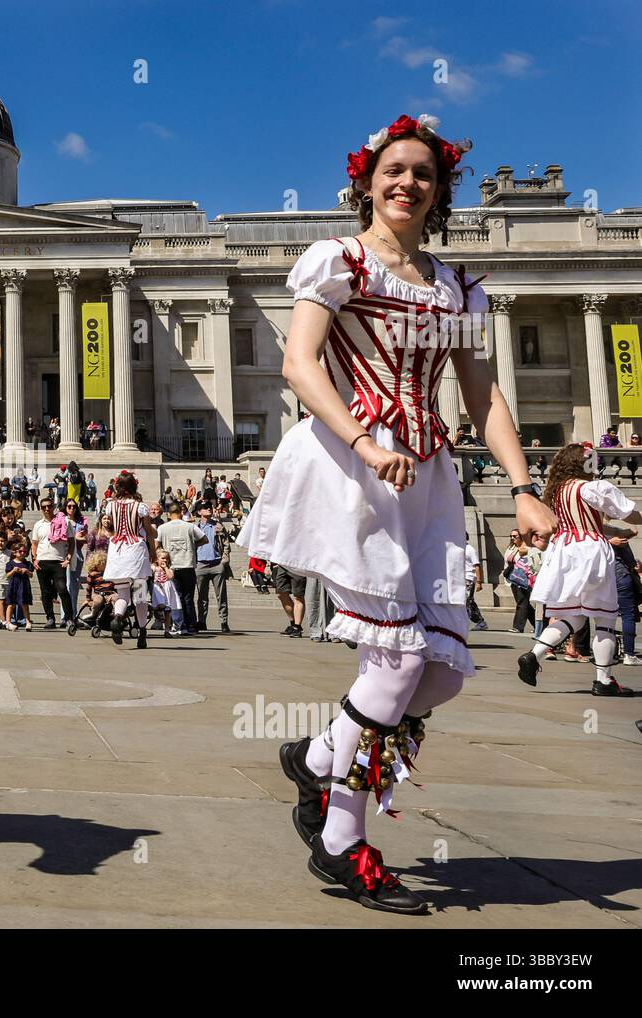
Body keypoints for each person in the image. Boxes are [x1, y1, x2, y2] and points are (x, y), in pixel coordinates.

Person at [244, 113, 557, 915]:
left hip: (429, 477)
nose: (406, 181)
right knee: (392, 664)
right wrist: (359, 438)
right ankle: (344, 841)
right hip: (358, 465)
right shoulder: (339, 262)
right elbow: (298, 363)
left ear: (439, 188)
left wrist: (524, 487)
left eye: (422, 171)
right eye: (393, 169)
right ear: (366, 182)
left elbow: (484, 397)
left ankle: (318, 758)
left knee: (441, 672)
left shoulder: (459, 287)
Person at [519, 443, 641, 695]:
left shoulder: (557, 491)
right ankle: (604, 680)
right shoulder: (592, 488)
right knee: (605, 618)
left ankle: (534, 655)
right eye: (592, 460)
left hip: (565, 551)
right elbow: (628, 513)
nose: (596, 464)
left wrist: (616, 531)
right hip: (590, 553)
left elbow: (581, 523)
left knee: (572, 614)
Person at [101, 471, 154, 648]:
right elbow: (148, 532)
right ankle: (142, 632)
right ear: (134, 487)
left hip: (118, 550)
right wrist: (153, 552)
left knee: (123, 593)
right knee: (140, 594)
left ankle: (117, 618)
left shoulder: (110, 506)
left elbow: (112, 527)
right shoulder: (140, 507)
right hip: (135, 550)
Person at [155, 500, 206, 636]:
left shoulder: (162, 528)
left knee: (175, 597)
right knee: (188, 597)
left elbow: (156, 545)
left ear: (169, 514)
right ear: (181, 512)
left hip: (172, 567)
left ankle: (179, 625)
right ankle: (191, 626)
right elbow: (204, 539)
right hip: (188, 565)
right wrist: (193, 545)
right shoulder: (190, 526)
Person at [30, 494, 74, 629]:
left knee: (62, 589)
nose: (47, 509)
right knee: (45, 592)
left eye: (49, 506)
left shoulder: (64, 521)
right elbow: (34, 543)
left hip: (58, 561)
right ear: (41, 509)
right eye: (44, 507)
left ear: (54, 507)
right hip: (42, 561)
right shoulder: (38, 525)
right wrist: (34, 559)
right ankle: (50, 618)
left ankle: (69, 618)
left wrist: (69, 558)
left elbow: (71, 541)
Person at [194, 507, 232, 634]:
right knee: (202, 596)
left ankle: (224, 621)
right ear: (199, 512)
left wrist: (224, 561)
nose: (208, 509)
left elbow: (226, 544)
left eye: (210, 507)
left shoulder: (218, 526)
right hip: (201, 564)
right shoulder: (195, 527)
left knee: (221, 595)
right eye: (204, 508)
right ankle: (202, 621)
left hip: (216, 564)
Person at [502, 528, 539, 635]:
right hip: (513, 578)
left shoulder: (527, 548)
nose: (512, 538)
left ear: (521, 536)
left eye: (515, 536)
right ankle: (538, 625)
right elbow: (506, 562)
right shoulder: (511, 548)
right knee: (524, 603)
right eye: (511, 536)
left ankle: (518, 627)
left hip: (524, 578)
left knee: (522, 602)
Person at [610, 535, 640, 666]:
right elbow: (631, 562)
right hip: (620, 575)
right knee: (628, 615)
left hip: (601, 578)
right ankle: (629, 654)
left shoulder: (592, 534)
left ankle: (608, 653)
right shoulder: (616, 534)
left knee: (605, 616)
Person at [4, 538, 34, 631]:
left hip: (24, 585)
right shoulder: (11, 563)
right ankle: (8, 622)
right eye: (20, 551)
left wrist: (27, 571)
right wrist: (13, 571)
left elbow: (31, 575)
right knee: (11, 604)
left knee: (25, 605)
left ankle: (28, 622)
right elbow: (7, 575)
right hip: (14, 585)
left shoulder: (27, 563)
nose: (22, 553)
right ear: (14, 552)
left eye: (24, 551)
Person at [151, 548, 181, 637]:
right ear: (157, 559)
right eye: (162, 558)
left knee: (168, 610)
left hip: (167, 588)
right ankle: (159, 614)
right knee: (159, 605)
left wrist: (165, 568)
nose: (164, 560)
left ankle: (167, 630)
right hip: (158, 588)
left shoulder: (169, 568)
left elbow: (171, 576)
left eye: (166, 558)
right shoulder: (154, 567)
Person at [464, 542, 488, 630]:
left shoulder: (470, 549)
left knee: (468, 601)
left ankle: (481, 622)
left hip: (468, 578)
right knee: (466, 602)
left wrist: (479, 582)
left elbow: (477, 565)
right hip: (460, 578)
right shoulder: (458, 549)